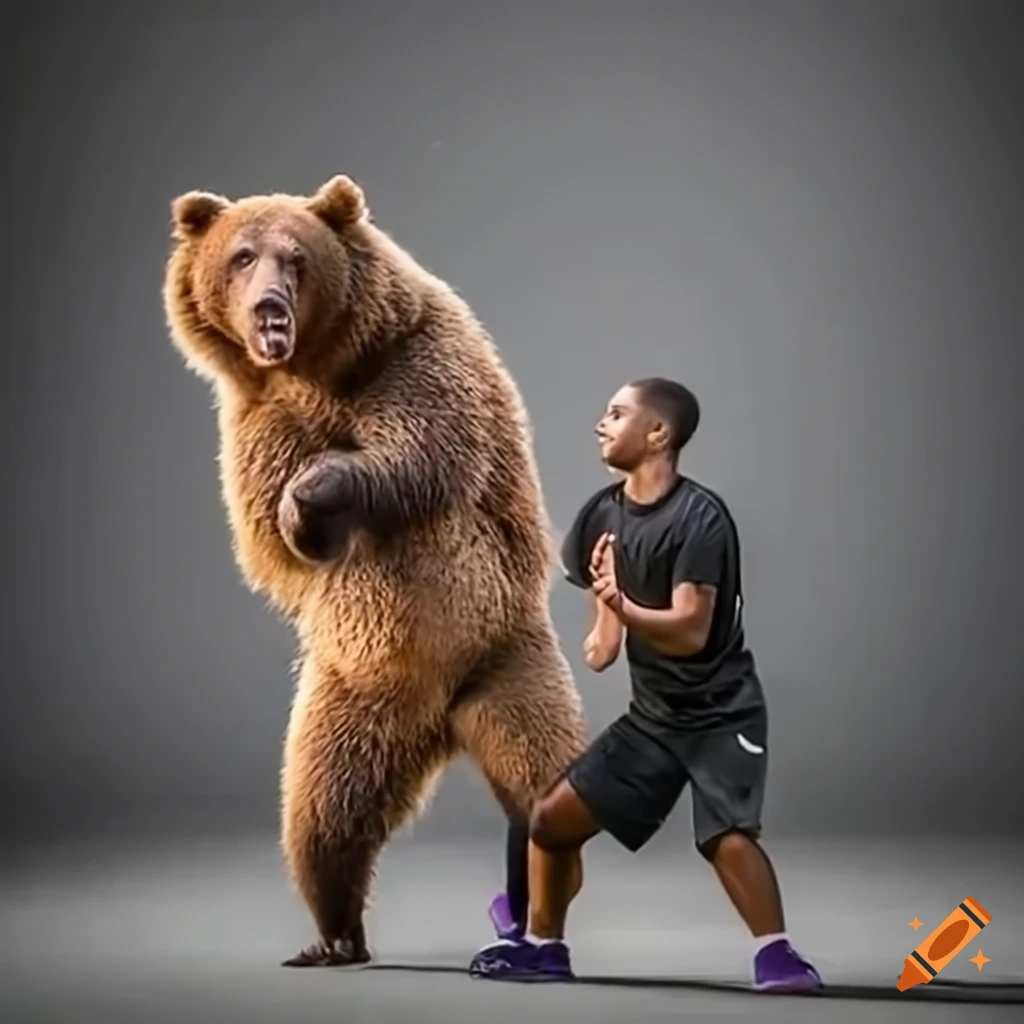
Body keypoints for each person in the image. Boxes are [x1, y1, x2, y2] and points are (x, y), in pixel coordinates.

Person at [467, 377, 822, 992]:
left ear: (657, 433)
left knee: (727, 839)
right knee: (550, 822)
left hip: (722, 714)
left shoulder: (700, 518)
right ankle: (544, 947)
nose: (600, 424)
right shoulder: (601, 513)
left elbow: (689, 631)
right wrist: (607, 623)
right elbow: (605, 644)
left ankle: (779, 957)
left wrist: (623, 607)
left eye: (616, 414)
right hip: (655, 720)